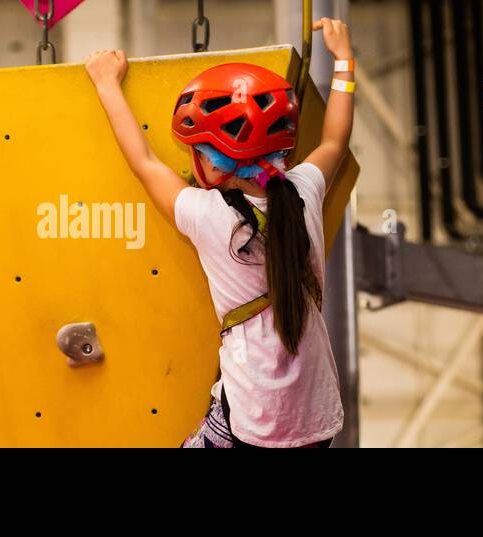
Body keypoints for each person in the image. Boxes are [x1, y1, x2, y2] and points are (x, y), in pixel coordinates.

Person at [84, 18, 355, 448]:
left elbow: (145, 163)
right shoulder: (305, 189)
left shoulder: (210, 216)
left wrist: (106, 85)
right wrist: (344, 61)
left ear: (212, 163)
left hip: (256, 419)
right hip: (317, 417)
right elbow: (335, 142)